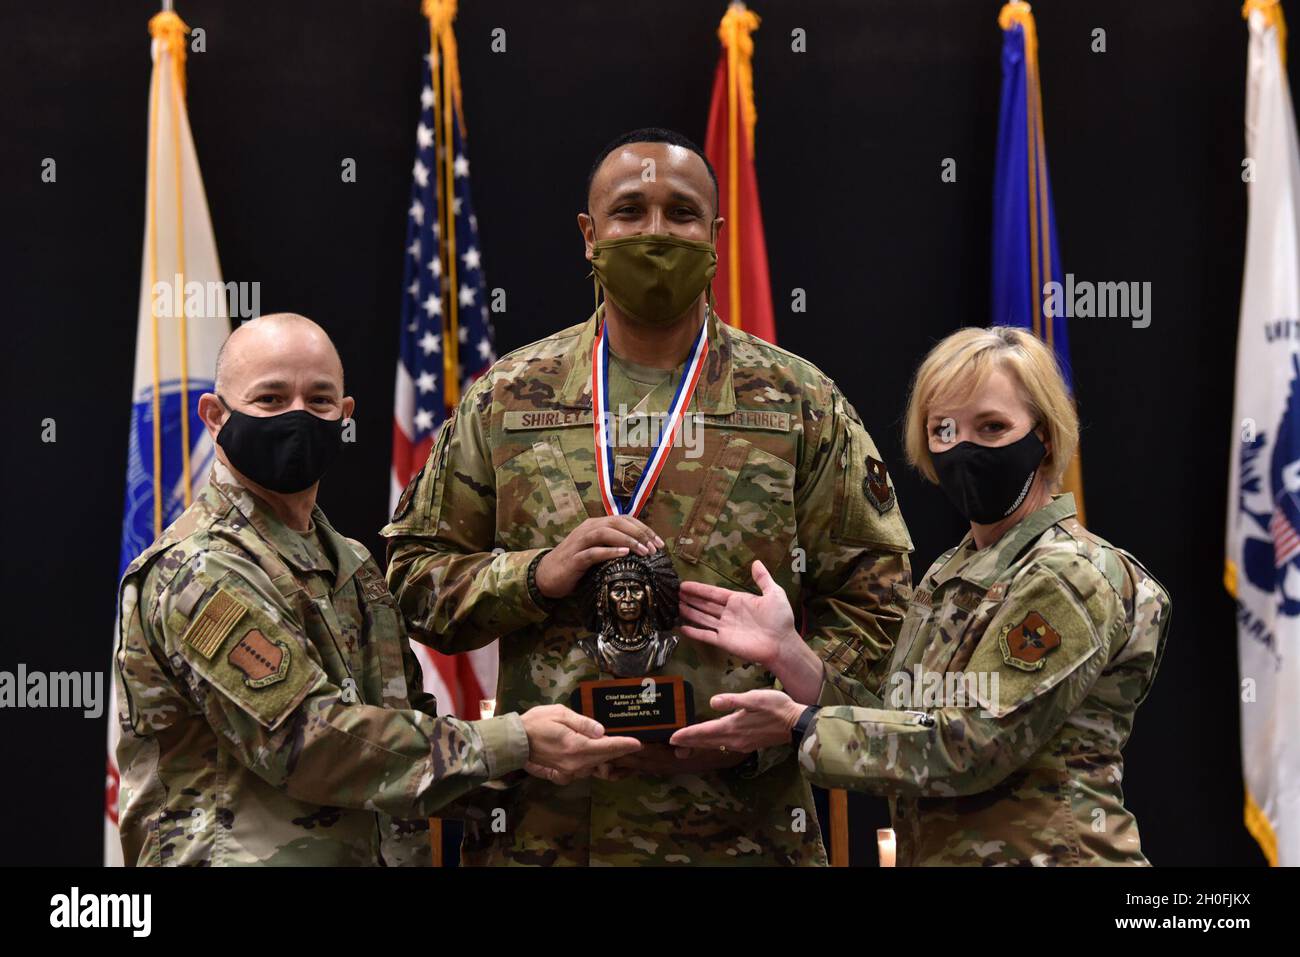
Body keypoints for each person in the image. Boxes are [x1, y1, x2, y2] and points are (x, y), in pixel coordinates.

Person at [382, 127, 913, 866]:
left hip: (743, 824)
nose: (656, 231)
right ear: (589, 234)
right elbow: (410, 576)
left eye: (682, 212)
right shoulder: (508, 398)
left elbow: (881, 597)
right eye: (630, 210)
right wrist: (532, 575)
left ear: (716, 235)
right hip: (548, 828)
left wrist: (802, 688)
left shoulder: (797, 401)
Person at [114, 313, 640, 867]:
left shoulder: (351, 564)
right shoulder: (199, 570)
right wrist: (515, 741)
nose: (296, 415)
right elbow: (309, 744)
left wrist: (565, 755)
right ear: (216, 416)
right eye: (270, 399)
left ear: (344, 416)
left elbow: (402, 736)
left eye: (318, 401)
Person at [670, 326, 1172, 866]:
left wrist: (799, 725)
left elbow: (970, 746)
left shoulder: (1069, 574)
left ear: (1045, 435)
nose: (965, 448)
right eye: (944, 430)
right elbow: (906, 723)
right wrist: (788, 654)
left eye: (993, 427)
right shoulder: (953, 572)